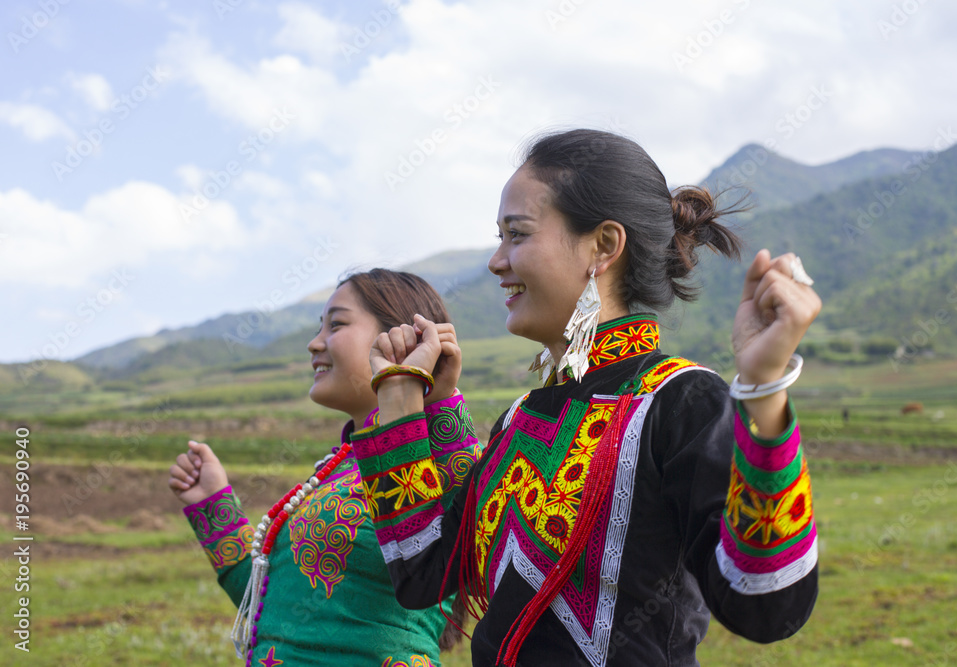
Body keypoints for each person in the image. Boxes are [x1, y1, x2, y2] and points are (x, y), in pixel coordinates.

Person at [352, 129, 822, 666]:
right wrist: (405, 397)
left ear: (603, 246)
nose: (496, 261)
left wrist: (763, 388)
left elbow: (766, 605)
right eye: (499, 238)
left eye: (516, 235)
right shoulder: (519, 419)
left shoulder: (678, 400)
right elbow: (420, 571)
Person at [167, 269, 480, 667]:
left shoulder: (438, 453)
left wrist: (435, 398)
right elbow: (275, 605)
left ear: (403, 336)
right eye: (320, 327)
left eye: (336, 324)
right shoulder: (337, 469)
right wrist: (214, 506)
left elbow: (466, 546)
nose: (314, 343)